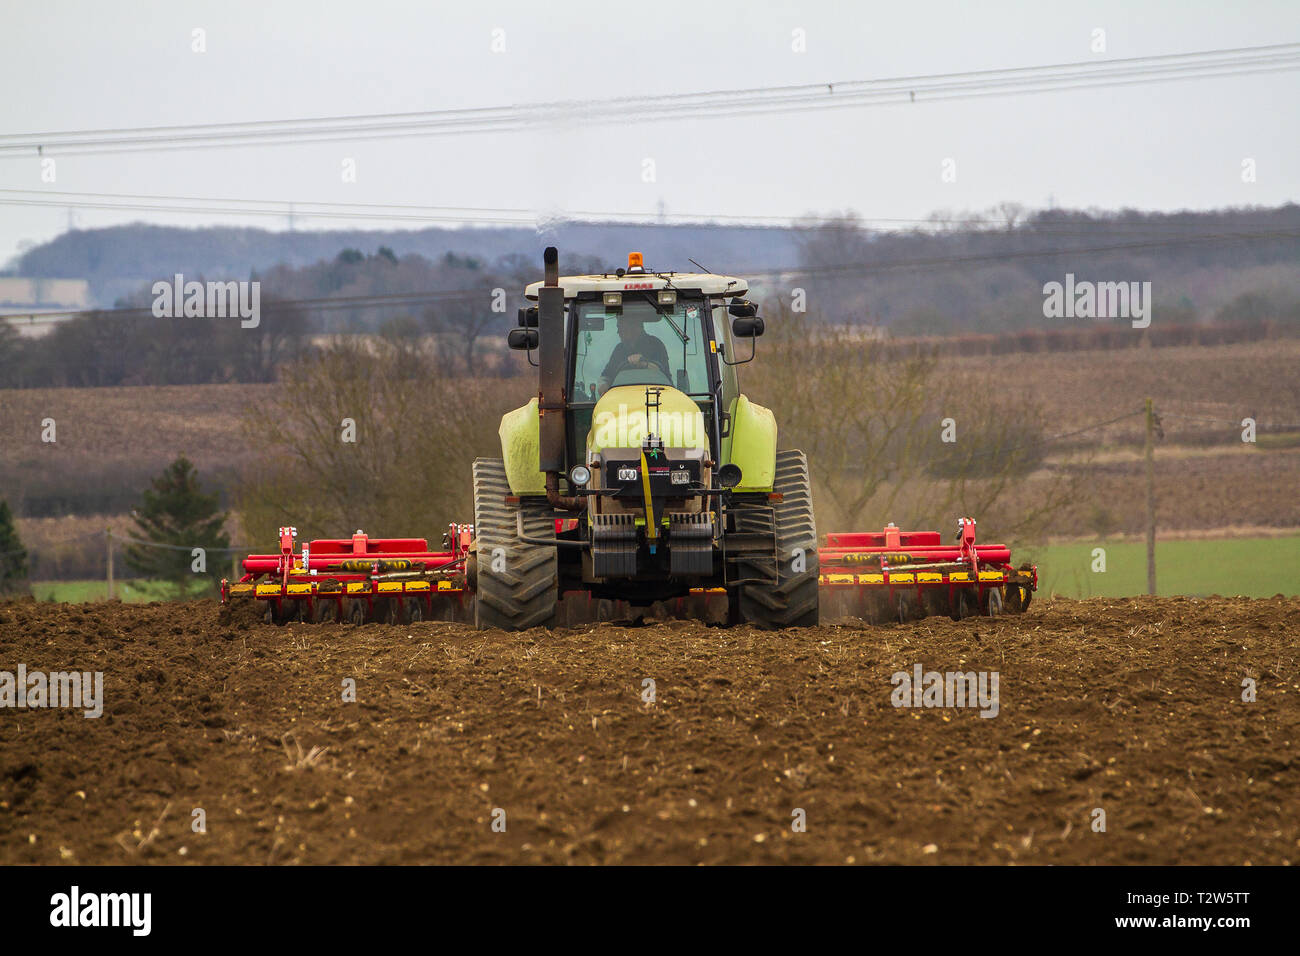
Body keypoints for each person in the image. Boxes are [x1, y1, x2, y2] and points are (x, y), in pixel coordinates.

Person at [597, 313, 671, 393]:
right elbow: (606, 375)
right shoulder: (619, 350)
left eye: (621, 328)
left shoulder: (655, 345)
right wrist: (603, 385)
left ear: (635, 327)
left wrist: (644, 363)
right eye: (619, 328)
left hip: (655, 398)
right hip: (622, 400)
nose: (618, 332)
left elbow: (663, 374)